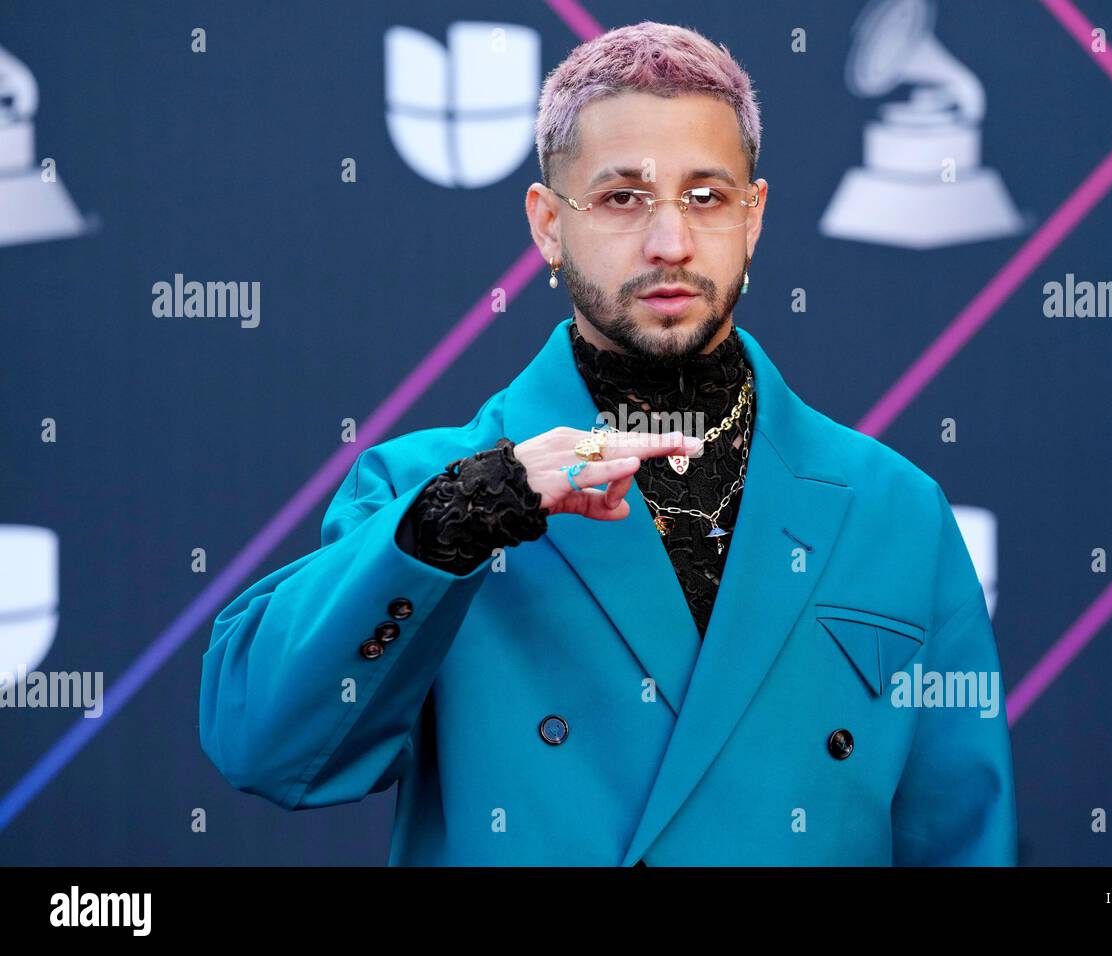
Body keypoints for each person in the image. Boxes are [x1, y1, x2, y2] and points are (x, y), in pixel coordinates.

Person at [199, 20, 1017, 866]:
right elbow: (262, 744)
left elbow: (961, 837)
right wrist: (473, 511)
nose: (670, 242)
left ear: (754, 216)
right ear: (548, 225)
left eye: (706, 196)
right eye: (623, 197)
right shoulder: (425, 491)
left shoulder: (893, 509)